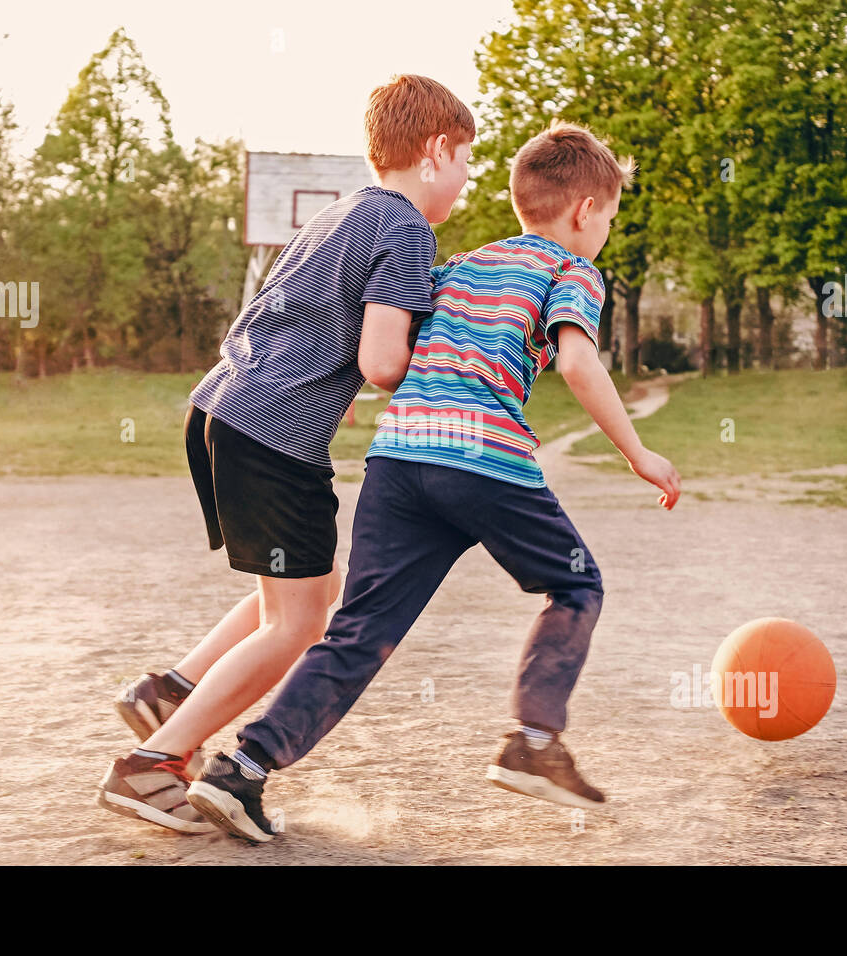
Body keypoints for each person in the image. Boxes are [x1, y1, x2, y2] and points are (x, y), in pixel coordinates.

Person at [183, 120, 682, 843]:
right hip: (483, 460)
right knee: (576, 586)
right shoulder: (573, 271)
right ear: (584, 213)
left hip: (400, 460)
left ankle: (243, 770)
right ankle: (534, 742)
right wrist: (639, 453)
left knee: (357, 632)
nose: (603, 230)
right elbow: (576, 364)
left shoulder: (466, 263)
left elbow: (400, 338)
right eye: (607, 216)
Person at [96, 74, 475, 834]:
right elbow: (378, 362)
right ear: (436, 151)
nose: (467, 180)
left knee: (306, 587)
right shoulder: (405, 229)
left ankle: (170, 690)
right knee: (299, 623)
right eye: (466, 159)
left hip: (221, 412)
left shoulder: (344, 214)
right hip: (274, 438)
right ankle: (152, 765)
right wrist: (439, 361)